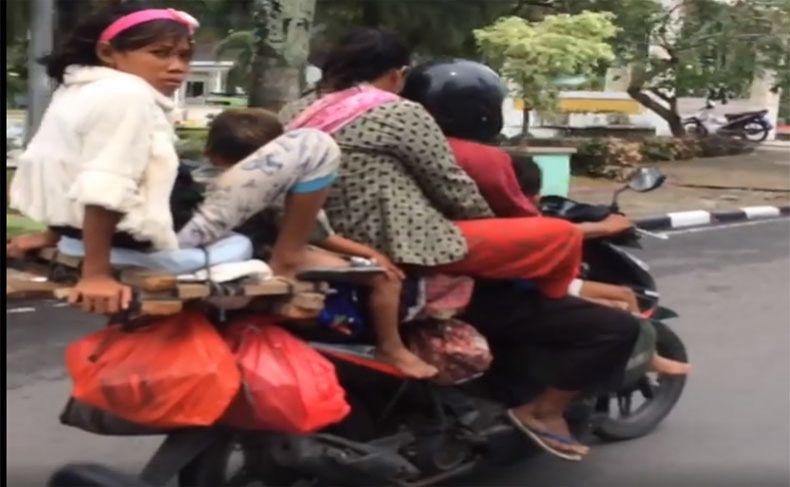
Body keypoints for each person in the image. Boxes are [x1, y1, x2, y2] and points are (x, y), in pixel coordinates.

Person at [280, 29, 642, 461]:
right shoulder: (405, 117)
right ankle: (544, 405)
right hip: (411, 248)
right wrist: (496, 232)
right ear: (398, 76)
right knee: (580, 270)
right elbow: (457, 193)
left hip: (315, 236)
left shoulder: (296, 110)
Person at [8, 2, 331, 314]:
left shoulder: (78, 89)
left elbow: (69, 169)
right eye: (159, 54)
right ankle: (288, 259)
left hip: (80, 237)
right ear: (108, 53)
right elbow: (105, 185)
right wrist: (96, 275)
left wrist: (54, 233)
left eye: (183, 55)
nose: (177, 66)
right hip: (144, 243)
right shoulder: (128, 95)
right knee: (314, 145)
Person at [402, 58, 690, 377]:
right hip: (474, 277)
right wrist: (594, 228)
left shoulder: (400, 147)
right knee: (613, 321)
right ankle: (543, 412)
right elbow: (526, 222)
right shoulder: (481, 157)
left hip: (409, 268)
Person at [196, 108, 437, 378]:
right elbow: (319, 235)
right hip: (271, 255)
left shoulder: (198, 180)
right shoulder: (283, 186)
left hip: (214, 257)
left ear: (211, 153)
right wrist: (370, 254)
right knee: (384, 279)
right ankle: (392, 348)